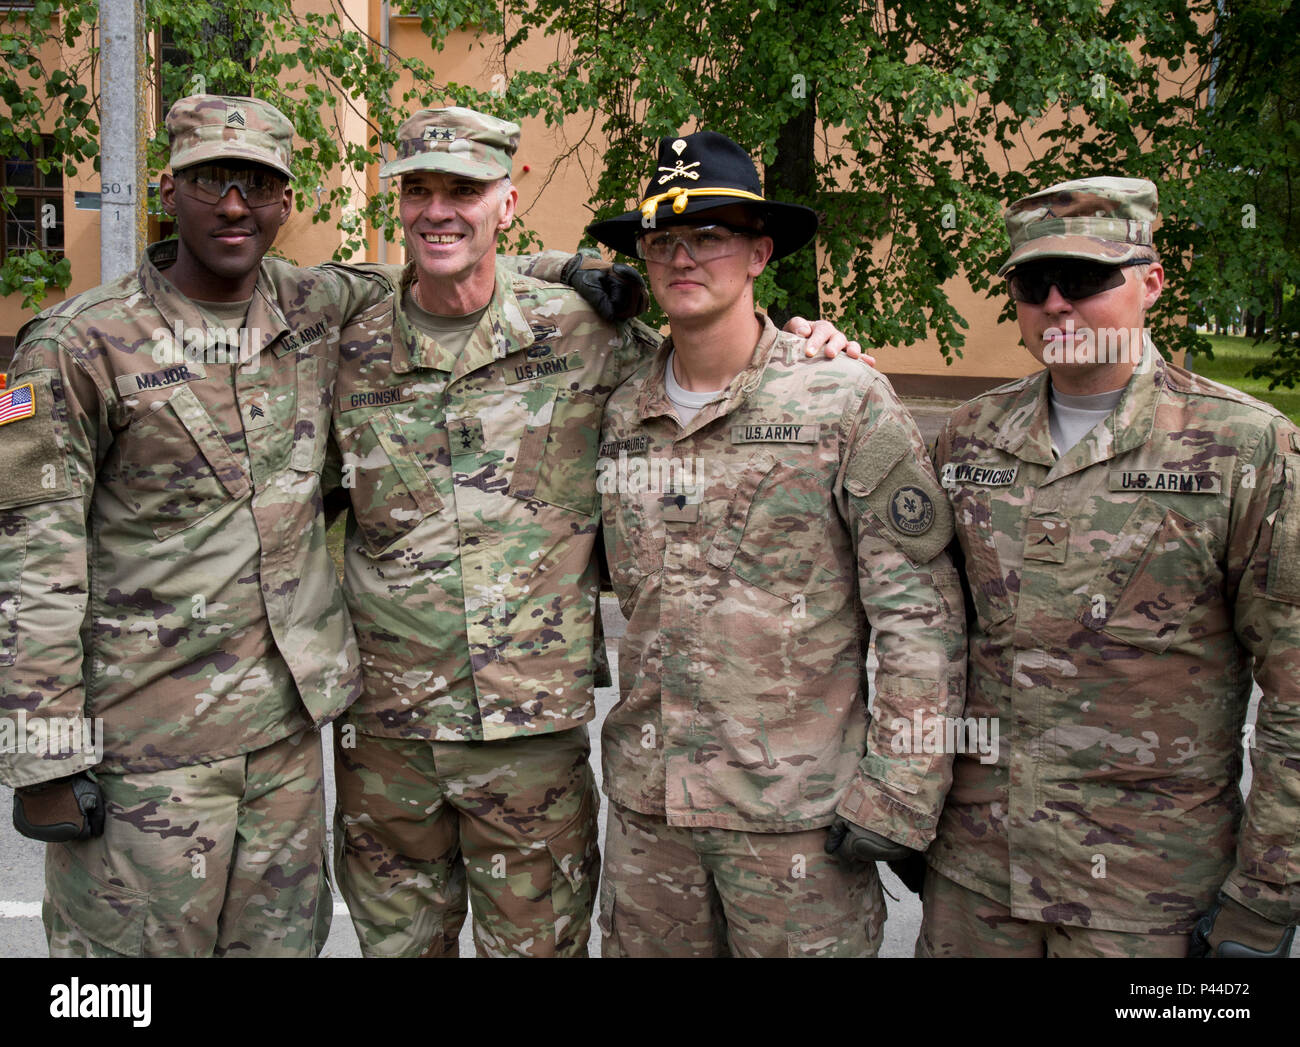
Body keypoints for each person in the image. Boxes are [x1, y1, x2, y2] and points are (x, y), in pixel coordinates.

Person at [328, 109, 862, 958]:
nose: (439, 209)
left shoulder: (584, 333)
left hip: (532, 739)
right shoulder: (343, 344)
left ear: (509, 198)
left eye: (464, 189)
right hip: (386, 741)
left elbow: (712, 359)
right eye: (418, 191)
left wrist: (809, 346)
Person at [0, 95, 397, 956]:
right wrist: (41, 760)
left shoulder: (309, 308)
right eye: (212, 179)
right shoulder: (79, 345)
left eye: (257, 184)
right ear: (167, 189)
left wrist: (569, 274)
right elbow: (34, 560)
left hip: (284, 754)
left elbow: (437, 275)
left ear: (286, 201)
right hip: (144, 756)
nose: (233, 205)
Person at [584, 131, 967, 957]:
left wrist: (899, 794)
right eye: (662, 240)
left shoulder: (842, 399)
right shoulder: (623, 414)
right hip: (654, 821)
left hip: (796, 824)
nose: (684, 256)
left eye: (712, 234)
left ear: (760, 252)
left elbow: (919, 618)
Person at [923, 176, 1300, 957]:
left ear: (1152, 281)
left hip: (1146, 898)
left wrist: (1267, 895)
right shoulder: (967, 439)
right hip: (977, 882)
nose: (1058, 303)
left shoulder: (1244, 448)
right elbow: (920, 635)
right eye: (1033, 283)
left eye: (1089, 279)